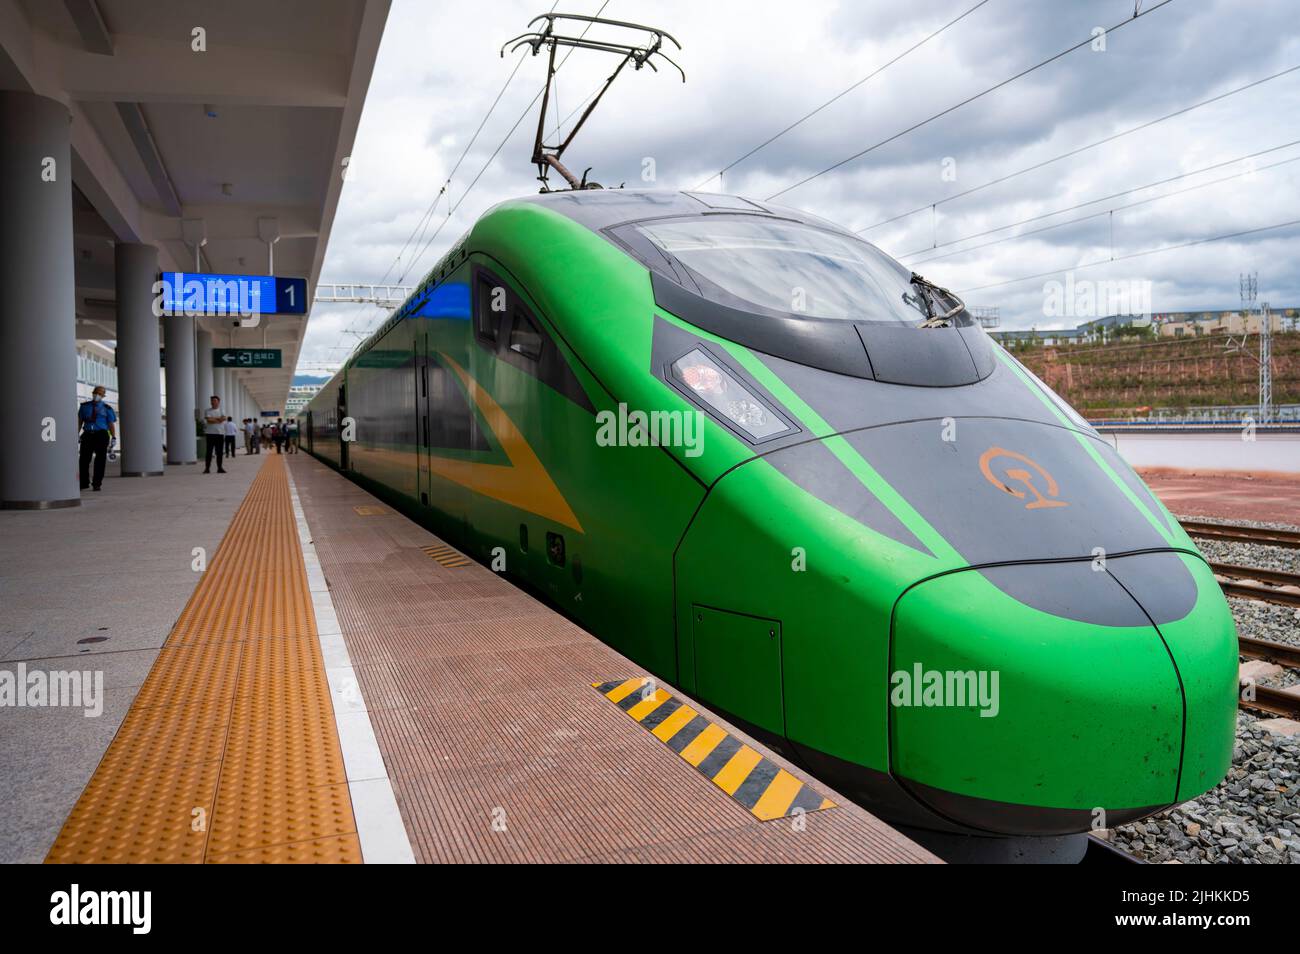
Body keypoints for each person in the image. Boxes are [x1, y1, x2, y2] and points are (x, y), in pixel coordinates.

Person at [77, 386, 117, 492]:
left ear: (103, 396)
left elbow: (111, 424)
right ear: (92, 393)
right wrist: (76, 433)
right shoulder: (84, 407)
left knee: (100, 460)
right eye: (95, 393)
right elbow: (80, 421)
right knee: (84, 459)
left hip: (101, 435)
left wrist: (113, 437)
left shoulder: (107, 408)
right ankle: (83, 482)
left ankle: (97, 483)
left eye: (99, 394)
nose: (96, 395)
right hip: (88, 435)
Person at [203, 395, 227, 474]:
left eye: (215, 401)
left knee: (219, 452)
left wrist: (214, 419)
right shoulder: (207, 410)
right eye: (212, 401)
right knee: (209, 452)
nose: (213, 402)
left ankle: (220, 468)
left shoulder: (222, 410)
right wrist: (218, 419)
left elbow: (223, 418)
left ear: (218, 402)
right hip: (210, 434)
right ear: (211, 402)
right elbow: (209, 420)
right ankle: (207, 468)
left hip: (220, 434)